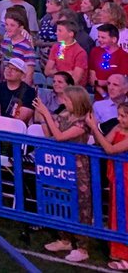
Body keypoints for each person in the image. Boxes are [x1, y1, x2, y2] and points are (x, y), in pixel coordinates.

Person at [36, 86, 95, 263]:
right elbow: (50, 132)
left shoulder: (84, 122)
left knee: (81, 204)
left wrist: (46, 113)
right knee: (60, 200)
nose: (63, 101)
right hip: (60, 165)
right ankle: (64, 239)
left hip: (77, 168)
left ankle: (83, 247)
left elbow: (61, 137)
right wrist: (43, 116)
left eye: (67, 100)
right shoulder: (64, 115)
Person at [89, 102, 128, 270]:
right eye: (119, 115)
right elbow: (105, 142)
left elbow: (111, 149)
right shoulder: (118, 128)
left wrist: (94, 128)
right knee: (115, 211)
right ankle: (117, 251)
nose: (120, 119)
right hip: (116, 177)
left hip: (126, 177)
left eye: (124, 116)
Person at [0, 57, 36, 124]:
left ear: (22, 76)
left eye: (14, 69)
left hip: (17, 129)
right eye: (8, 67)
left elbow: (22, 119)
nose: (9, 71)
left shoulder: (29, 92)